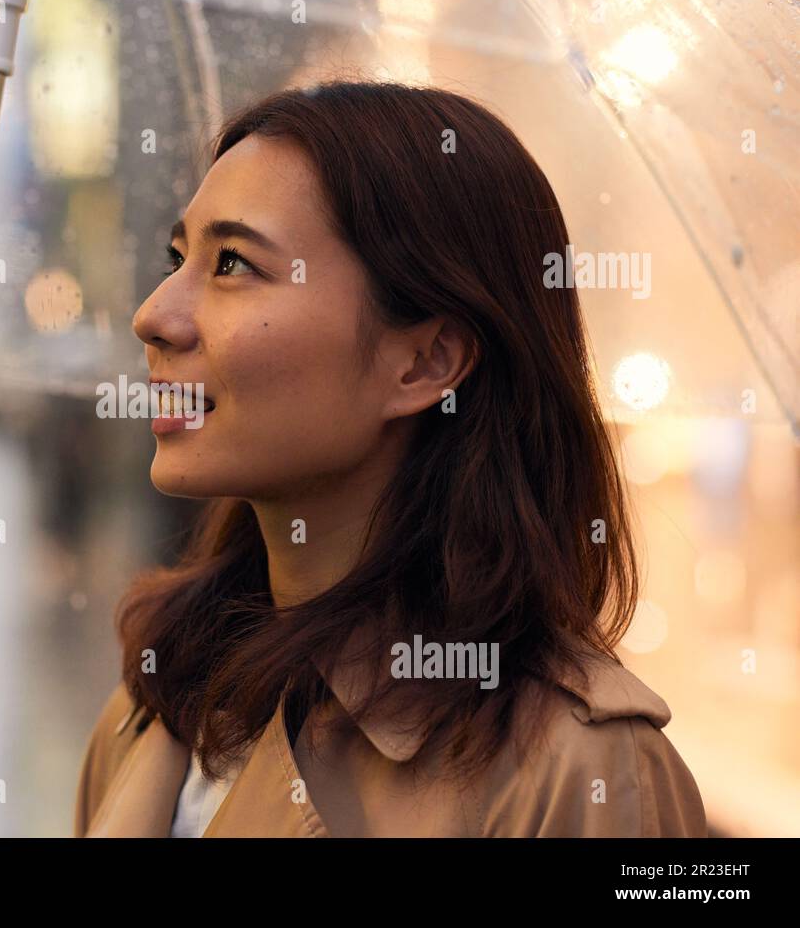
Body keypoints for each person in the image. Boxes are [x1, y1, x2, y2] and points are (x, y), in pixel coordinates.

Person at [74, 80, 707, 838]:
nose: (154, 315)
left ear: (426, 362)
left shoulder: (585, 772)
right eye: (179, 257)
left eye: (234, 264)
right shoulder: (155, 701)